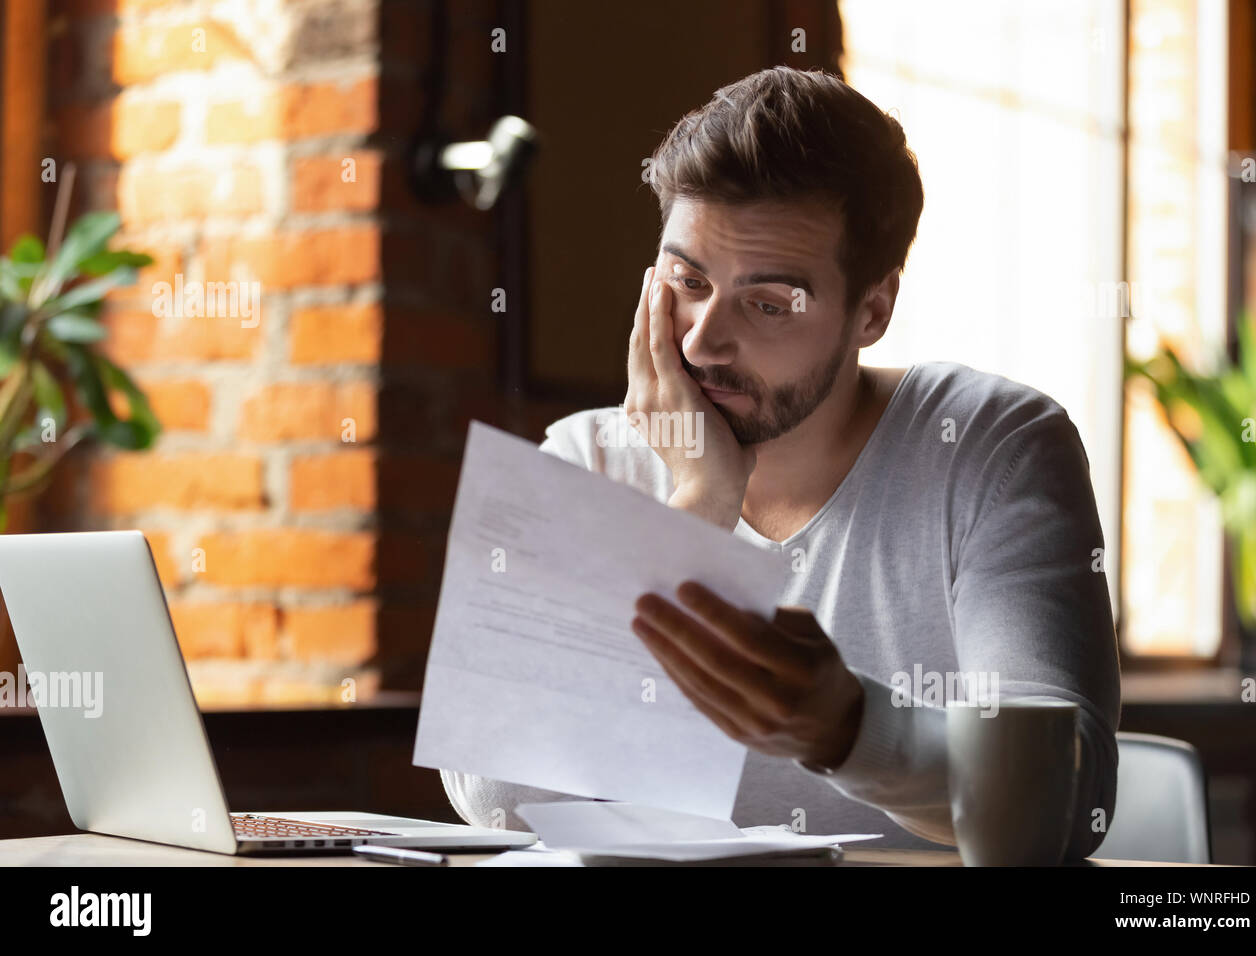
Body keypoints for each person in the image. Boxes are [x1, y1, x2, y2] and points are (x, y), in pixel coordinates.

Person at [442, 65, 1120, 859]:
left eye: (767, 304)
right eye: (687, 281)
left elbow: (1068, 803)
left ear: (872, 310)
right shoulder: (586, 455)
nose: (700, 340)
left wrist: (848, 731)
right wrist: (695, 503)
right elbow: (496, 798)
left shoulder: (994, 446)